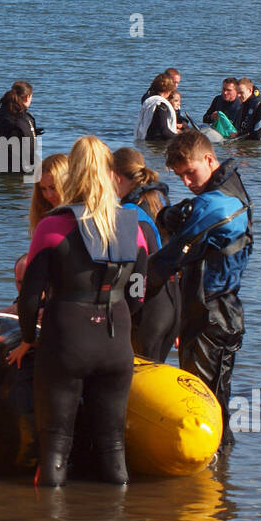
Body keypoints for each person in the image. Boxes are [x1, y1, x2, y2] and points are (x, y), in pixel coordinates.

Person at [7, 137, 148, 486]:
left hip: (65, 340)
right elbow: (139, 293)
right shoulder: (135, 226)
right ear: (110, 174)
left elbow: (29, 298)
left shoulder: (52, 226)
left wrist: (27, 339)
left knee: (55, 448)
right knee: (113, 448)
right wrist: (116, 315)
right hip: (116, 342)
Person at [147, 131, 252, 446]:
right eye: (180, 177)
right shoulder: (228, 189)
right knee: (212, 399)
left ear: (209, 159)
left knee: (209, 402)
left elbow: (166, 261)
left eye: (190, 172)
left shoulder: (216, 204)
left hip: (214, 317)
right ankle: (218, 480)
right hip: (211, 312)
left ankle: (216, 476)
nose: (188, 181)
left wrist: (128, 293)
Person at [113, 147, 180, 362]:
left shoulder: (128, 213)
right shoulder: (159, 201)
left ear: (115, 176)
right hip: (173, 303)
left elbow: (132, 271)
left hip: (148, 307)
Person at [0, 80, 42, 174]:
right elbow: (30, 148)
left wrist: (34, 131)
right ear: (27, 97)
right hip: (21, 170)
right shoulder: (23, 119)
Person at [29, 153, 69, 232]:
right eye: (43, 189)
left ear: (67, 184)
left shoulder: (83, 217)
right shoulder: (44, 219)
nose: (48, 195)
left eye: (53, 188)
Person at [135, 71, 179, 141]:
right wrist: (181, 137)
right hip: (157, 144)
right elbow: (164, 132)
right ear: (169, 91)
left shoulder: (148, 101)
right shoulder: (161, 106)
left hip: (146, 139)